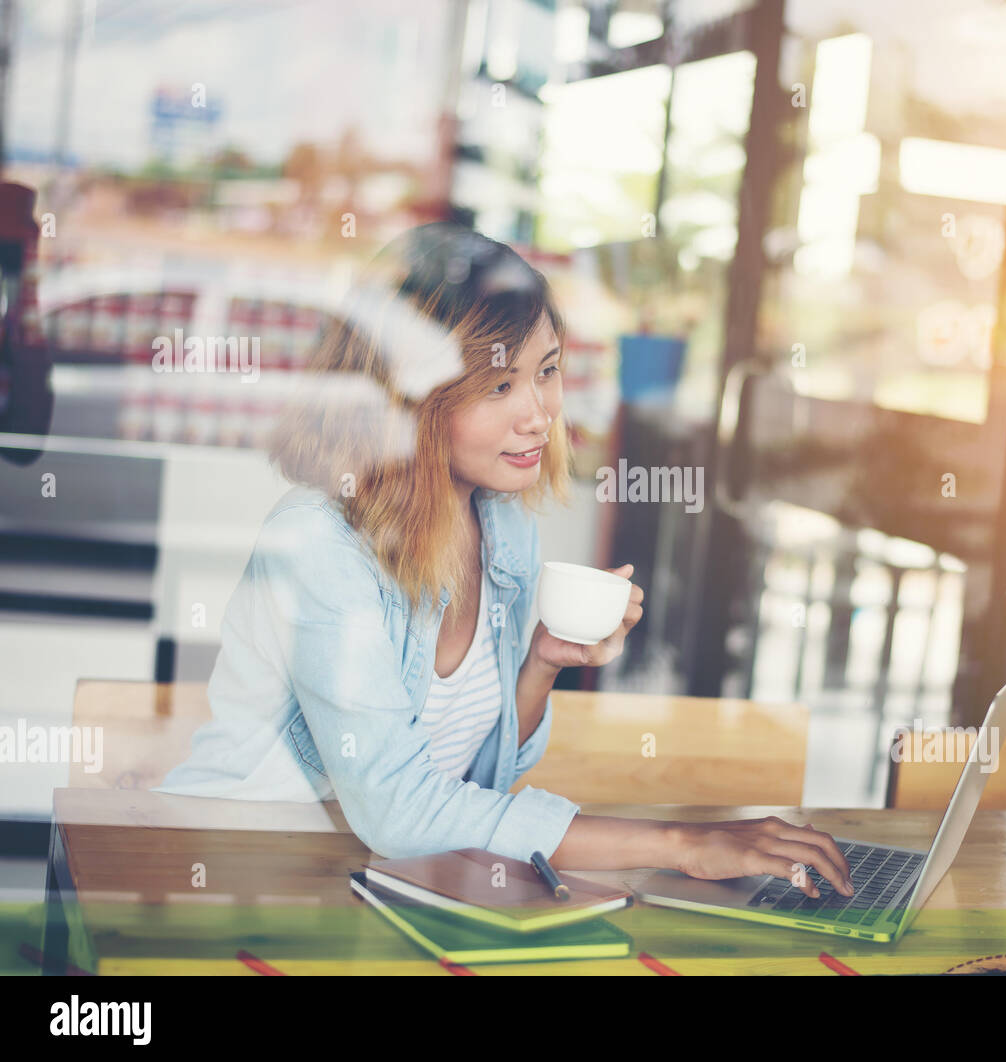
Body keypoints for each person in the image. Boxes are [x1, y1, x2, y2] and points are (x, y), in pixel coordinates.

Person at [154, 224, 853, 899]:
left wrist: (540, 665)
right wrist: (679, 842)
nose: (538, 414)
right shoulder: (319, 545)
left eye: (546, 372)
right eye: (499, 387)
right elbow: (401, 811)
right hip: (224, 871)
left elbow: (475, 789)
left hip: (363, 883)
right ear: (412, 397)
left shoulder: (500, 520)